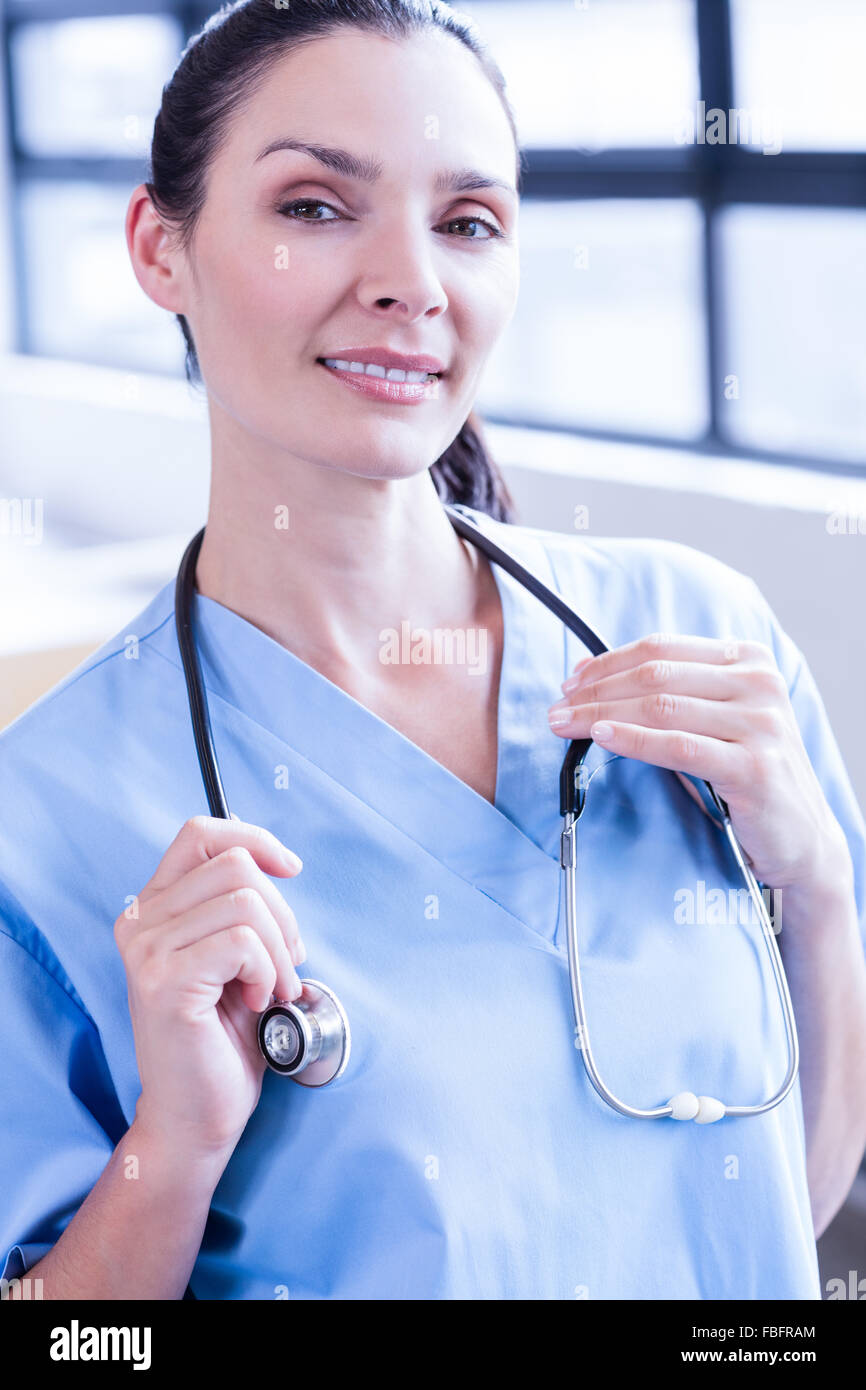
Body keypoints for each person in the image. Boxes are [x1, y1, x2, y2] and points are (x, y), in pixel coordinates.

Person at [2, 0, 865, 1302]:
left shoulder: (706, 638)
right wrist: (172, 1147)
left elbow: (785, 1213)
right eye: (313, 205)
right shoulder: (42, 818)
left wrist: (816, 893)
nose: (412, 281)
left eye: (467, 222)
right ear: (157, 248)